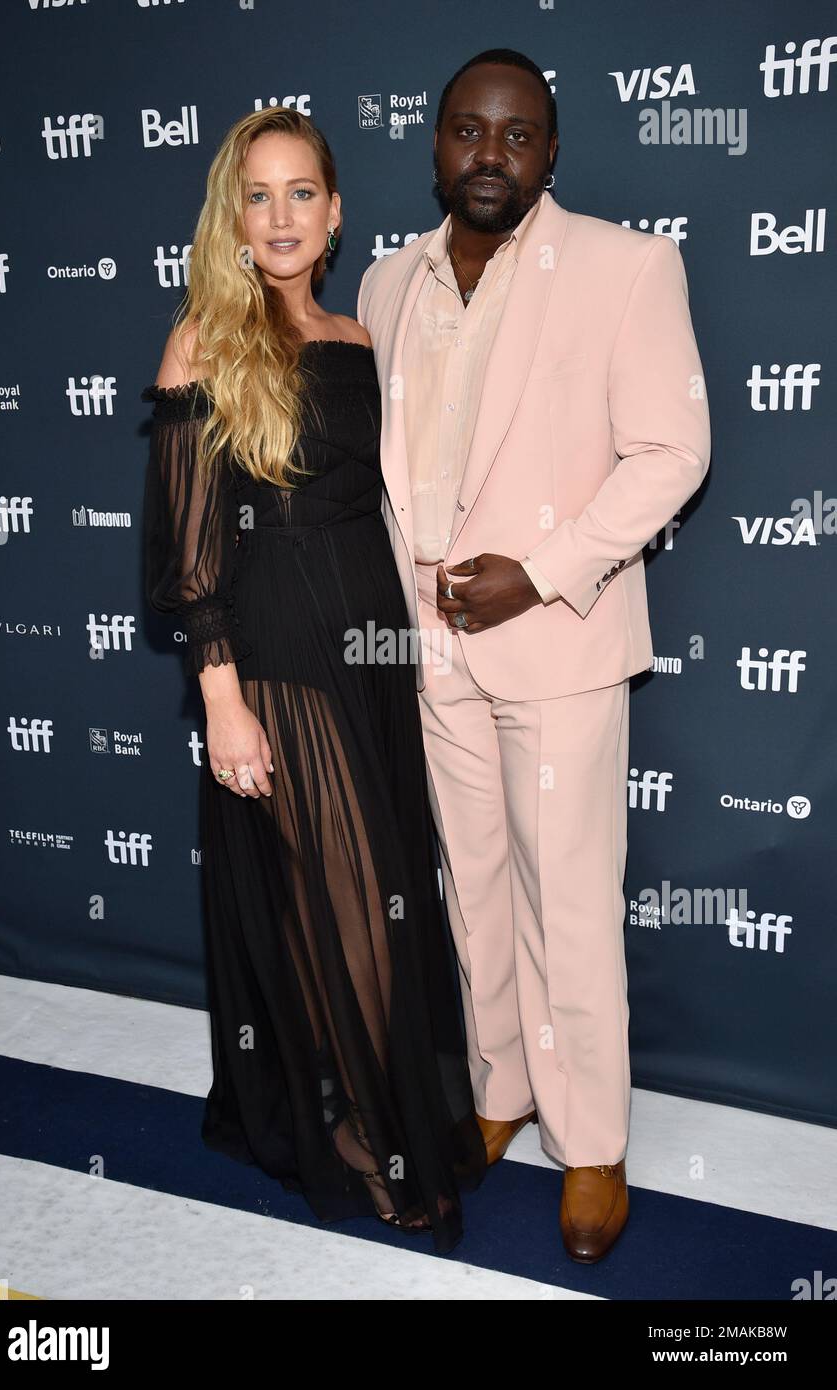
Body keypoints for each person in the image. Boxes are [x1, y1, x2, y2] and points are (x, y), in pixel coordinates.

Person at [357, 48, 711, 1262]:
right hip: (433, 650)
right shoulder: (390, 280)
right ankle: (501, 1088)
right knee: (474, 883)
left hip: (555, 642)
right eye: (467, 129)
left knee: (568, 901)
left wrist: (544, 569)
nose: (489, 153)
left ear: (551, 153)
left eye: (517, 135)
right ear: (437, 143)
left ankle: (594, 1140)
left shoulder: (626, 266)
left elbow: (671, 452)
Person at [141, 106, 487, 1255]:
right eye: (259, 195)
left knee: (377, 898)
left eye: (302, 193)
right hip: (277, 658)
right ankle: (369, 1138)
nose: (281, 215)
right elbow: (190, 554)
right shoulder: (205, 338)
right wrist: (221, 694)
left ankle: (364, 1108)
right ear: (232, 218)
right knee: (349, 908)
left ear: (336, 213)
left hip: (373, 656)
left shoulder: (359, 339)